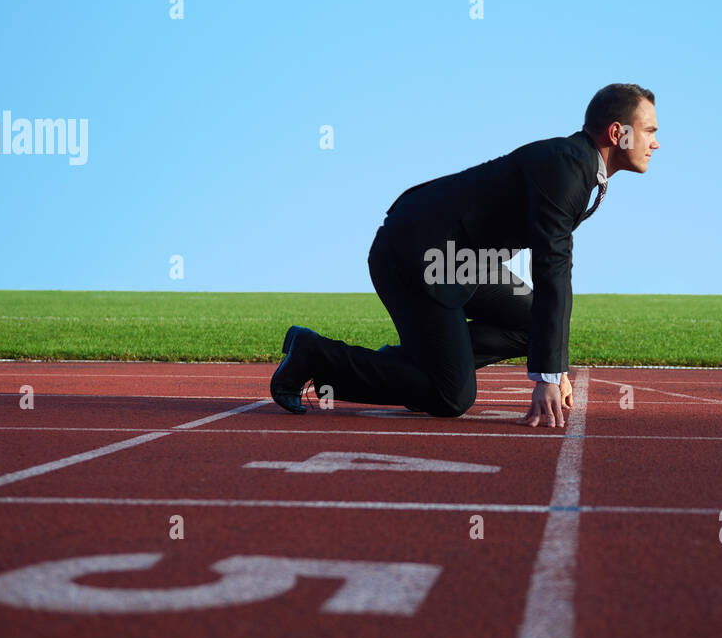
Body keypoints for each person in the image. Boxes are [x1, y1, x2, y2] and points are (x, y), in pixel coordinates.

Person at [270, 83, 658, 428]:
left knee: (532, 320)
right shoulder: (567, 169)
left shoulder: (577, 166)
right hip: (417, 256)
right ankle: (315, 356)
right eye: (649, 131)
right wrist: (548, 375)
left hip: (462, 260)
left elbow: (551, 287)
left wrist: (553, 362)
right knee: (451, 396)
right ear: (617, 133)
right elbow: (552, 267)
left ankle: (422, 360)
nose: (655, 143)